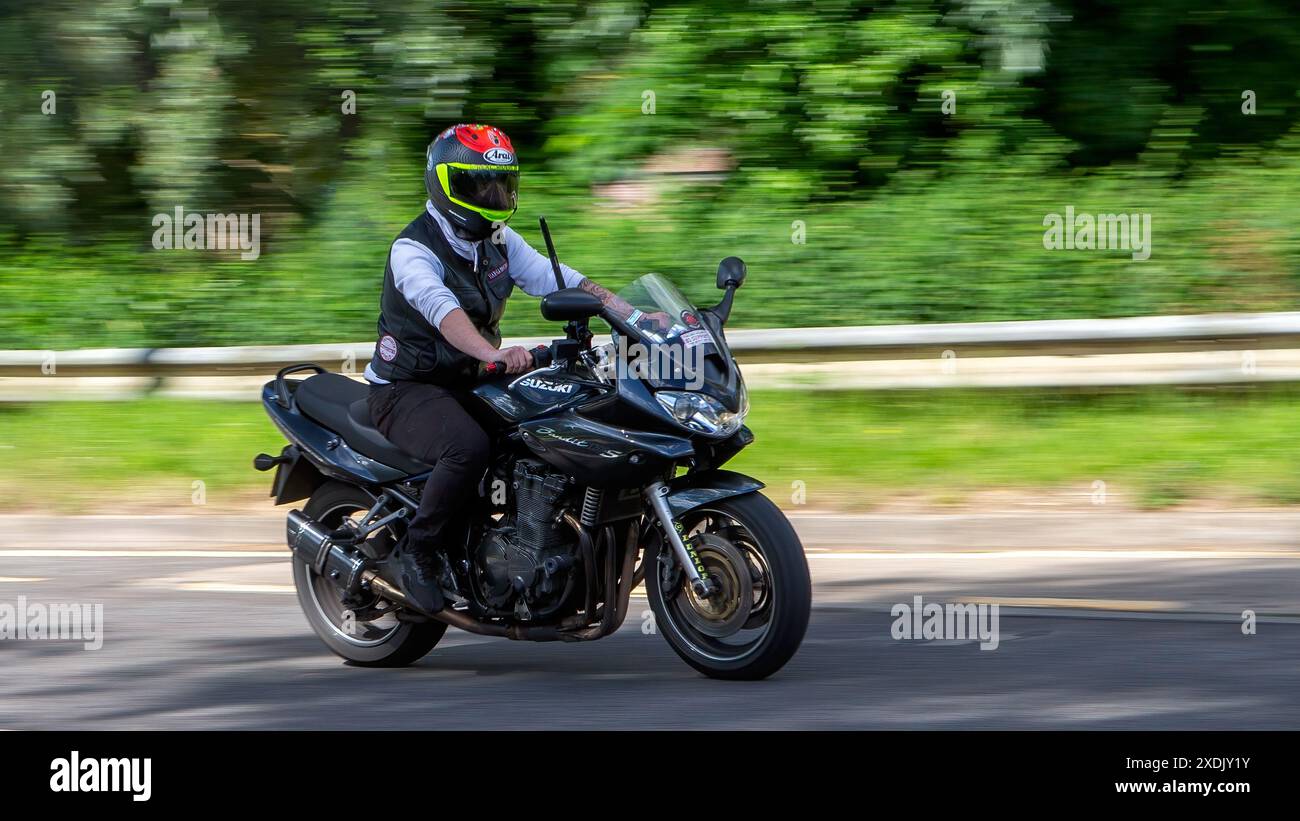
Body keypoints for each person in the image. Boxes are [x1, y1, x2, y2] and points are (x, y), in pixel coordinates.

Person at [363, 123, 659, 613]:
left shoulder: (497, 238)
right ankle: (419, 553)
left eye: (501, 185)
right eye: (479, 185)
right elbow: (441, 309)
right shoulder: (412, 249)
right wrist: (490, 353)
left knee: (542, 431)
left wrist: (632, 314)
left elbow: (554, 277)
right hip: (407, 388)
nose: (493, 195)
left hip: (472, 380)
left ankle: (524, 546)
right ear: (445, 183)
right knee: (467, 447)